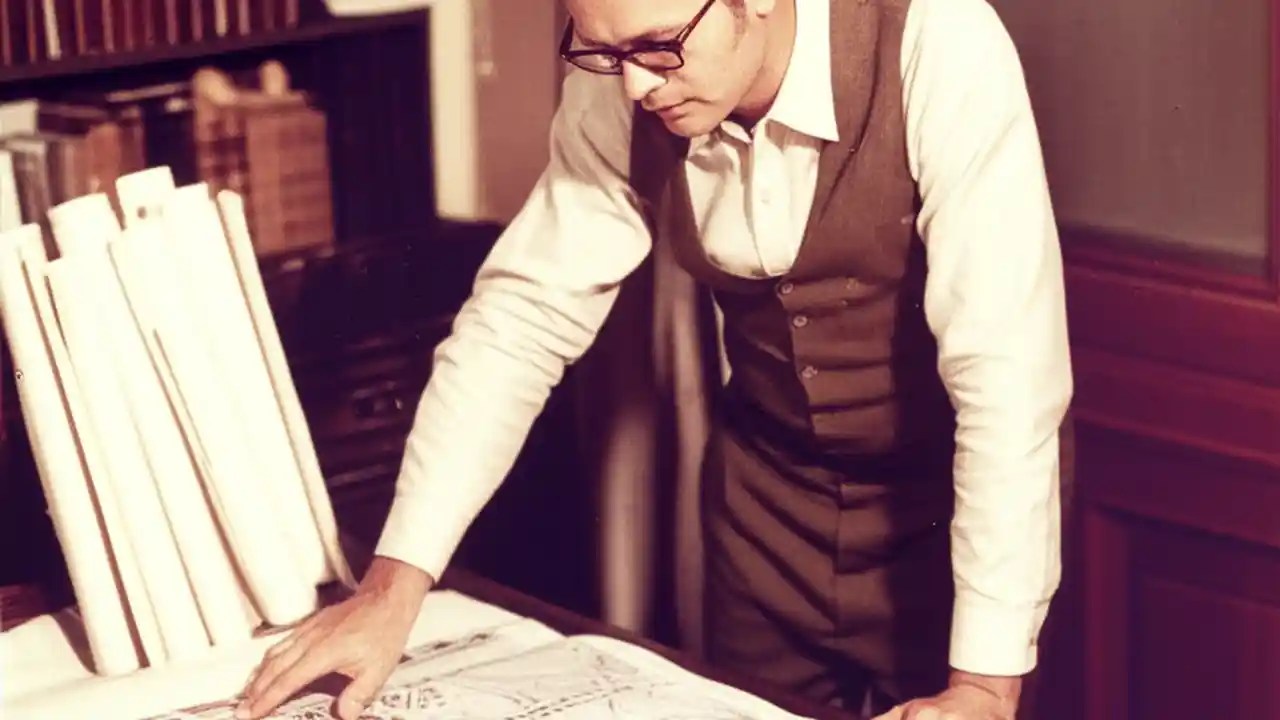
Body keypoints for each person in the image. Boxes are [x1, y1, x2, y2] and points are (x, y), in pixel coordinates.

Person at [234, 0, 1073, 718]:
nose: (634, 84)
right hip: (766, 516)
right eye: (601, 49)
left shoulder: (940, 42)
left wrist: (984, 687)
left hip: (952, 520)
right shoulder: (621, 86)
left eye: (657, 46)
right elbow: (520, 320)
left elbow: (1006, 383)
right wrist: (392, 585)